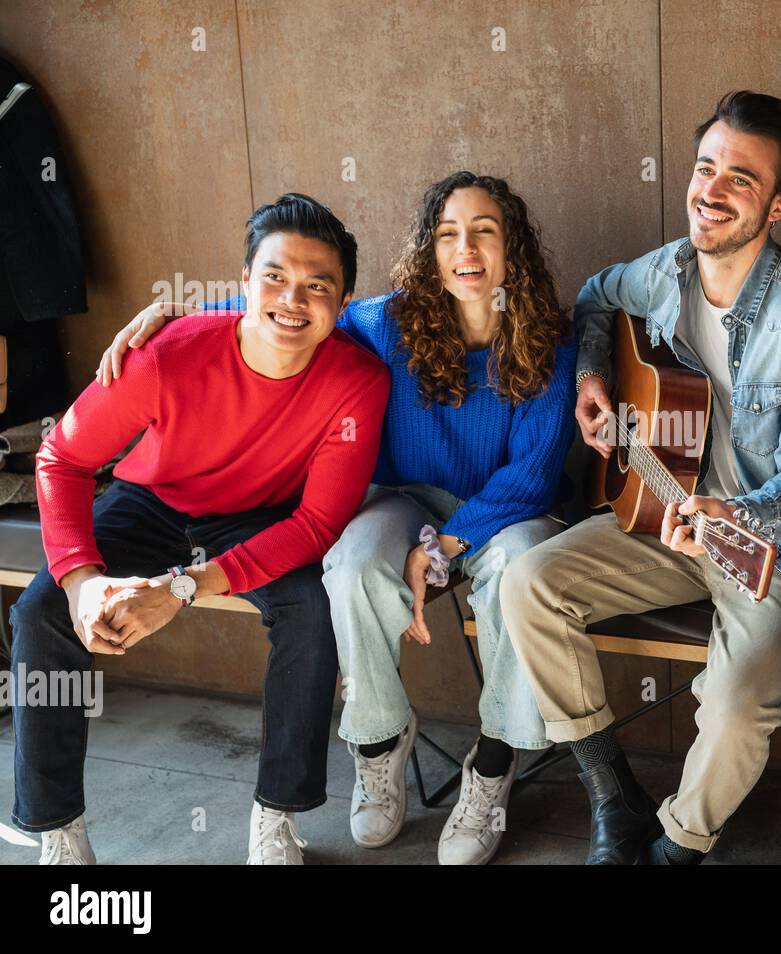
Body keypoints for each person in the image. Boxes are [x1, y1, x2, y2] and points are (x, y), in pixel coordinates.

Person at [98, 172, 576, 865]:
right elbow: (288, 312)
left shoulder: (549, 341)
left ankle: (494, 763)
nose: (465, 248)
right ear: (431, 251)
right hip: (404, 496)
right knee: (349, 561)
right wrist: (177, 311)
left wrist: (440, 546)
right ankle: (380, 741)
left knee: (520, 572)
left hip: (511, 513)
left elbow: (531, 475)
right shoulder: (392, 322)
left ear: (513, 249)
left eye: (484, 231)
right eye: (448, 234)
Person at [498, 90, 781, 865]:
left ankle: (675, 845)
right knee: (527, 582)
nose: (712, 190)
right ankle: (611, 797)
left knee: (733, 706)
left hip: (772, 554)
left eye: (741, 179)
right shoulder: (663, 271)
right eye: (705, 168)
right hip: (663, 519)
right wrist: (593, 377)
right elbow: (595, 298)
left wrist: (735, 509)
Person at [12, 194, 390, 865]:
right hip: (152, 498)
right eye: (273, 277)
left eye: (317, 285)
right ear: (242, 282)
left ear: (345, 299)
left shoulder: (358, 381)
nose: (292, 300)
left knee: (313, 610)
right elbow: (62, 457)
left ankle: (277, 818)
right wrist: (80, 582)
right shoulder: (163, 354)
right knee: (41, 610)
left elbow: (318, 522)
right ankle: (59, 831)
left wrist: (181, 590)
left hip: (264, 514)